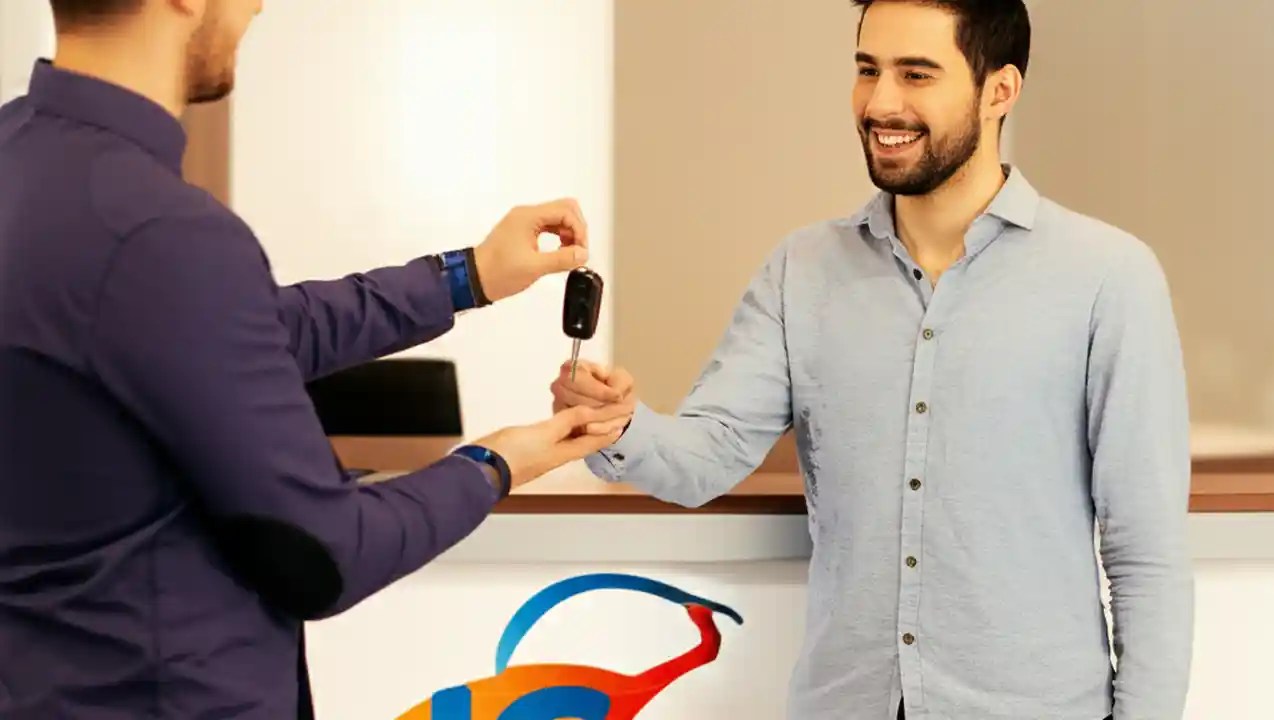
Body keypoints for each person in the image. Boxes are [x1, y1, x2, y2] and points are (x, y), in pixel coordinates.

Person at [552, 1, 1193, 718]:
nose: (881, 103)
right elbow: (710, 454)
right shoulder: (802, 270)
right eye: (868, 70)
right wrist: (619, 425)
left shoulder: (1109, 277)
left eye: (917, 74)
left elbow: (1147, 555)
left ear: (1000, 90)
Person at [0, 0, 630, 718]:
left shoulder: (22, 164)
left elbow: (237, 331)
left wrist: (469, 275)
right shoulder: (160, 231)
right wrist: (497, 462)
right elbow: (327, 555)